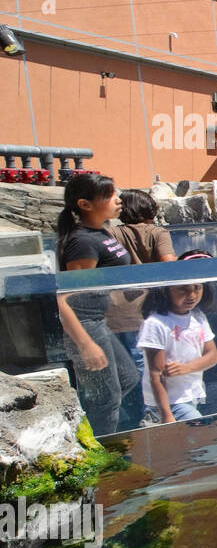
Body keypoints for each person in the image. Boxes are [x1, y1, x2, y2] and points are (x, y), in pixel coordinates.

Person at [55, 173, 137, 437]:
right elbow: (64, 298)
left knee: (127, 378)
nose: (118, 199)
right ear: (85, 204)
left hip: (98, 320)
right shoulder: (82, 242)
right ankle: (99, 452)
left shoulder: (99, 233)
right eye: (109, 195)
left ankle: (93, 429)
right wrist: (85, 344)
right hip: (84, 324)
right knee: (105, 400)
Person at [106, 189, 177, 427]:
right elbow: (170, 265)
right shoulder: (158, 233)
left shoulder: (110, 233)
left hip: (114, 309)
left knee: (124, 367)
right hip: (147, 308)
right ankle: (151, 411)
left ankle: (131, 414)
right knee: (148, 364)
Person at [138, 250, 217, 424]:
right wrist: (166, 415)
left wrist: (187, 368)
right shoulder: (156, 323)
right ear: (167, 289)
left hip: (191, 395)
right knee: (201, 434)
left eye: (197, 288)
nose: (191, 295)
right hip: (169, 402)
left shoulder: (198, 316)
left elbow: (212, 356)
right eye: (183, 289)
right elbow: (156, 373)